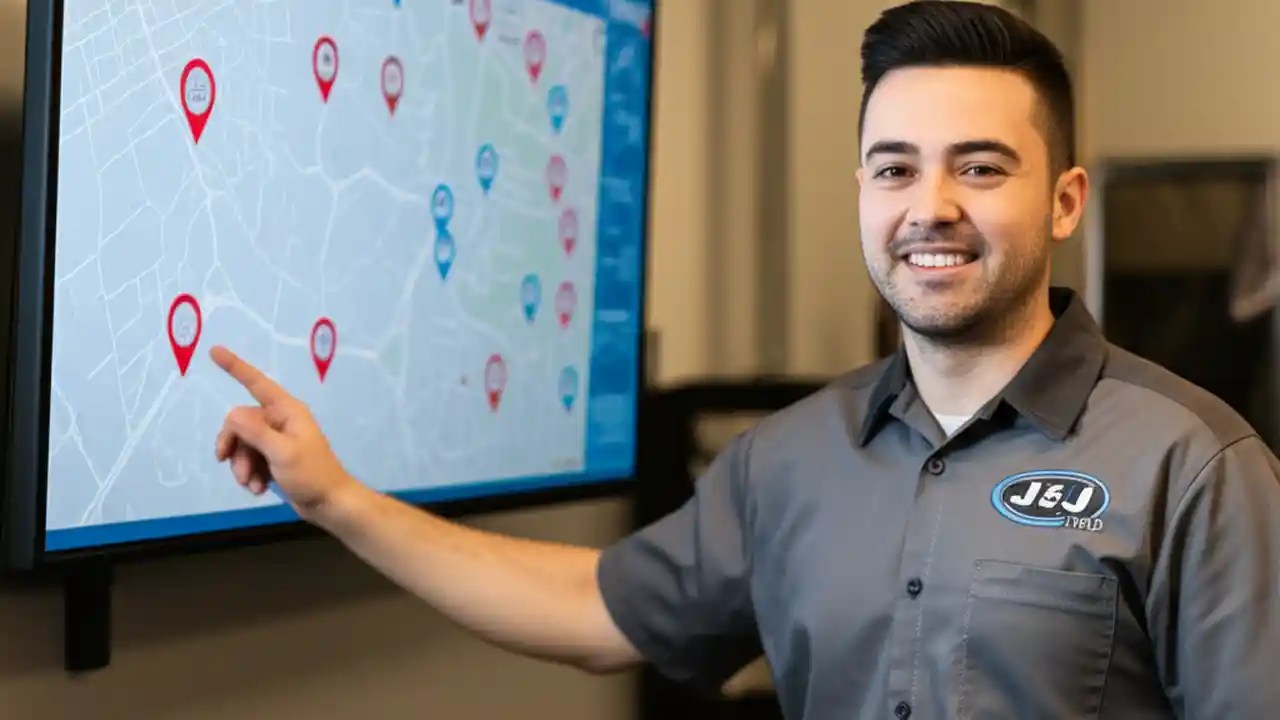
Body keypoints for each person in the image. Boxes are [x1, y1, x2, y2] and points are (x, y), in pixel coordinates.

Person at [211, 2, 1280, 718]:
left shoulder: (1193, 466)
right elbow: (593, 609)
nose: (930, 207)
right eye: (894, 168)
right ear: (862, 195)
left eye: (980, 166)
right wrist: (339, 499)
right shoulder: (790, 460)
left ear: (1061, 201)